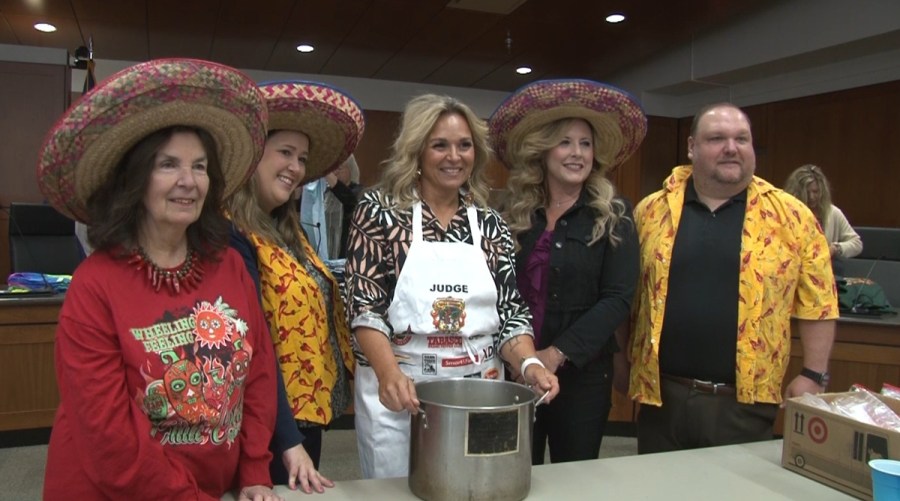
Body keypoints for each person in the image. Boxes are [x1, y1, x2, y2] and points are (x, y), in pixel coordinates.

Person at [37, 59, 281, 500]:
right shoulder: (94, 285)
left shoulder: (229, 266)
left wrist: (254, 470)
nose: (188, 181)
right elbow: (108, 437)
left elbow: (259, 373)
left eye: (201, 166)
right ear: (135, 178)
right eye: (168, 164)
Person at [345, 94, 560, 479]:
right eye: (439, 145)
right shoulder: (380, 211)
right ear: (417, 149)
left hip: (478, 393)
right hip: (401, 390)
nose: (454, 157)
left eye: (464, 146)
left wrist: (528, 364)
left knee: (474, 486)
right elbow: (365, 305)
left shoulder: (490, 223)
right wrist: (388, 373)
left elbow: (509, 311)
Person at [629, 103, 839, 454]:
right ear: (692, 147)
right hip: (661, 399)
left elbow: (819, 303)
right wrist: (623, 364)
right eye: (717, 138)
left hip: (744, 405)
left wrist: (814, 375)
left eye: (742, 138)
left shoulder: (792, 217)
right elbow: (628, 295)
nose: (731, 147)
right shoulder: (650, 212)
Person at [488, 79, 645, 464]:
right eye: (565, 142)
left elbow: (618, 298)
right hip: (513, 368)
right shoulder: (513, 213)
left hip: (583, 377)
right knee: (508, 468)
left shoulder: (615, 215)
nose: (577, 153)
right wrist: (522, 359)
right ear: (543, 152)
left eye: (585, 144)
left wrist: (555, 355)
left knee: (573, 476)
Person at [227, 80, 363, 492]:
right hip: (265, 422)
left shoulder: (286, 230)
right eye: (285, 152)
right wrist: (286, 438)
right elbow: (255, 345)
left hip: (305, 412)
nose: (297, 167)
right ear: (252, 155)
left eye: (302, 158)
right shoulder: (233, 235)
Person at [784, 164, 863, 274]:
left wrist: (836, 248)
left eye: (815, 192)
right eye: (806, 192)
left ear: (822, 191)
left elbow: (857, 244)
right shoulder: (786, 212)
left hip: (823, 272)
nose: (811, 197)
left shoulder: (833, 213)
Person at [323, 154, 360, 259]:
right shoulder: (326, 193)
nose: (335, 172)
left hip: (344, 253)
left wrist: (326, 173)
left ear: (351, 170)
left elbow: (347, 198)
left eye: (339, 168)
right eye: (332, 168)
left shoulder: (358, 191)